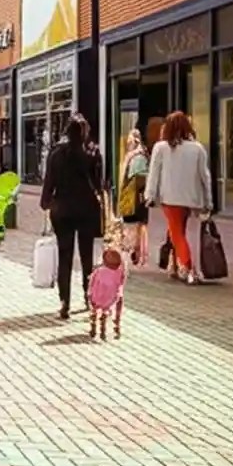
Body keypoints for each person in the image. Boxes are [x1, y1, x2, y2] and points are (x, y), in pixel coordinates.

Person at [39, 113, 105, 320]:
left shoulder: (56, 154)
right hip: (86, 209)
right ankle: (88, 297)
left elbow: (49, 182)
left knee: (65, 256)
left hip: (62, 210)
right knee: (87, 257)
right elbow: (100, 184)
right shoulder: (93, 153)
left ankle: (64, 301)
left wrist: (45, 201)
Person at [144, 111, 213, 284]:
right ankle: (174, 266)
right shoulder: (197, 148)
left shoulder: (161, 147)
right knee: (178, 230)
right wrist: (208, 200)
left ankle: (189, 268)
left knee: (176, 233)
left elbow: (154, 173)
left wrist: (149, 194)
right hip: (192, 197)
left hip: (170, 197)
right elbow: (205, 177)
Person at [117, 129, 150, 266]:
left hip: (135, 196)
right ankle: (139, 254)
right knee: (141, 225)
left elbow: (132, 176)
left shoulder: (136, 157)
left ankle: (137, 252)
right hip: (142, 195)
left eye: (130, 140)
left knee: (136, 225)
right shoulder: (142, 155)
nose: (128, 143)